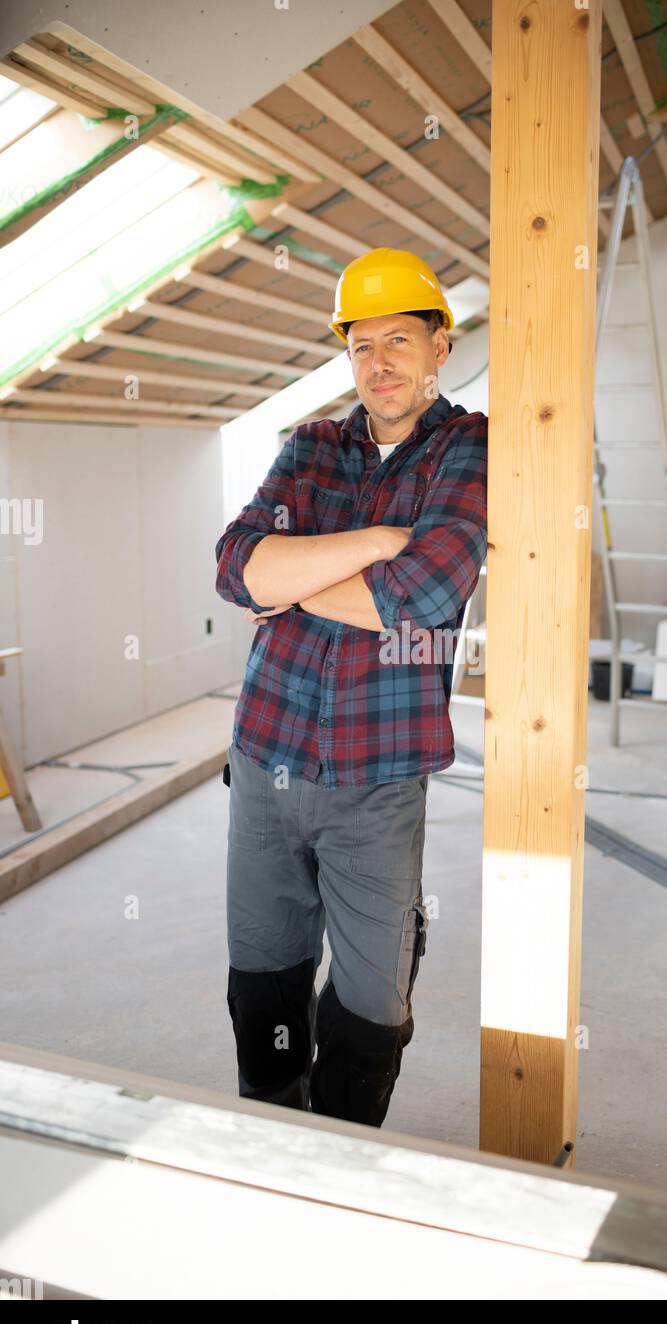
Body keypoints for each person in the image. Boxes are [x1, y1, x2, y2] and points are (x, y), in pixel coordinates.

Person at [214, 247, 488, 1128]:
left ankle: (341, 1157)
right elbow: (231, 567)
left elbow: (426, 593)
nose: (380, 363)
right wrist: (378, 539)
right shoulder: (310, 445)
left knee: (374, 1005)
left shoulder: (468, 446)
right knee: (262, 981)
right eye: (362, 344)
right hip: (264, 759)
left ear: (440, 346)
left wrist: (286, 580)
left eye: (400, 340)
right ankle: (272, 1133)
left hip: (379, 776)